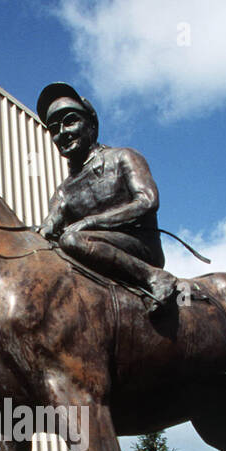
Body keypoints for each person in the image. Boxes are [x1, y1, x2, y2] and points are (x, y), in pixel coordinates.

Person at [36, 82, 177, 316]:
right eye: (54, 128)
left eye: (70, 121)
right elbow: (48, 227)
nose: (62, 132)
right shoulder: (63, 191)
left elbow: (148, 200)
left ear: (91, 125)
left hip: (139, 248)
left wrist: (90, 222)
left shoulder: (123, 157)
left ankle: (154, 277)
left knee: (71, 240)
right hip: (91, 256)